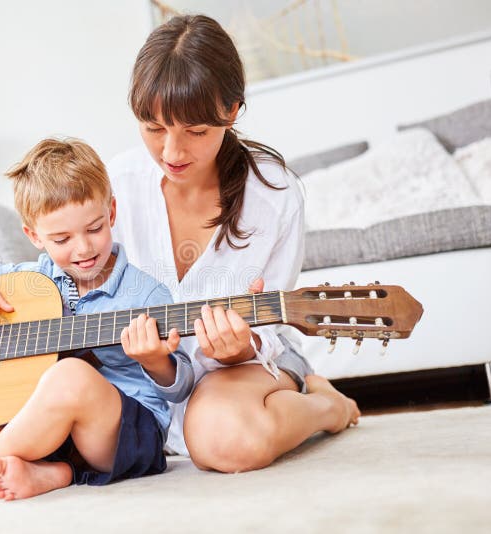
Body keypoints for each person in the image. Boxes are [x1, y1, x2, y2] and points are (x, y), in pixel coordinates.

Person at [106, 14, 360, 472]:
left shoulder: (276, 194)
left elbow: (270, 327)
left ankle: (327, 406)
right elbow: (60, 273)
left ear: (232, 111)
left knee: (222, 441)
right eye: (154, 128)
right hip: (149, 378)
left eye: (196, 131)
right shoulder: (116, 185)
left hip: (242, 369)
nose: (172, 152)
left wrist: (239, 349)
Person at [0, 138, 194, 500]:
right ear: (34, 236)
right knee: (19, 399)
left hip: (128, 434)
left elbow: (182, 383)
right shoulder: (32, 281)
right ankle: (54, 473)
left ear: (111, 213)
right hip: (59, 438)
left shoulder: (147, 295)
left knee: (71, 375)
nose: (83, 248)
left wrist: (155, 361)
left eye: (94, 229)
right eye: (62, 238)